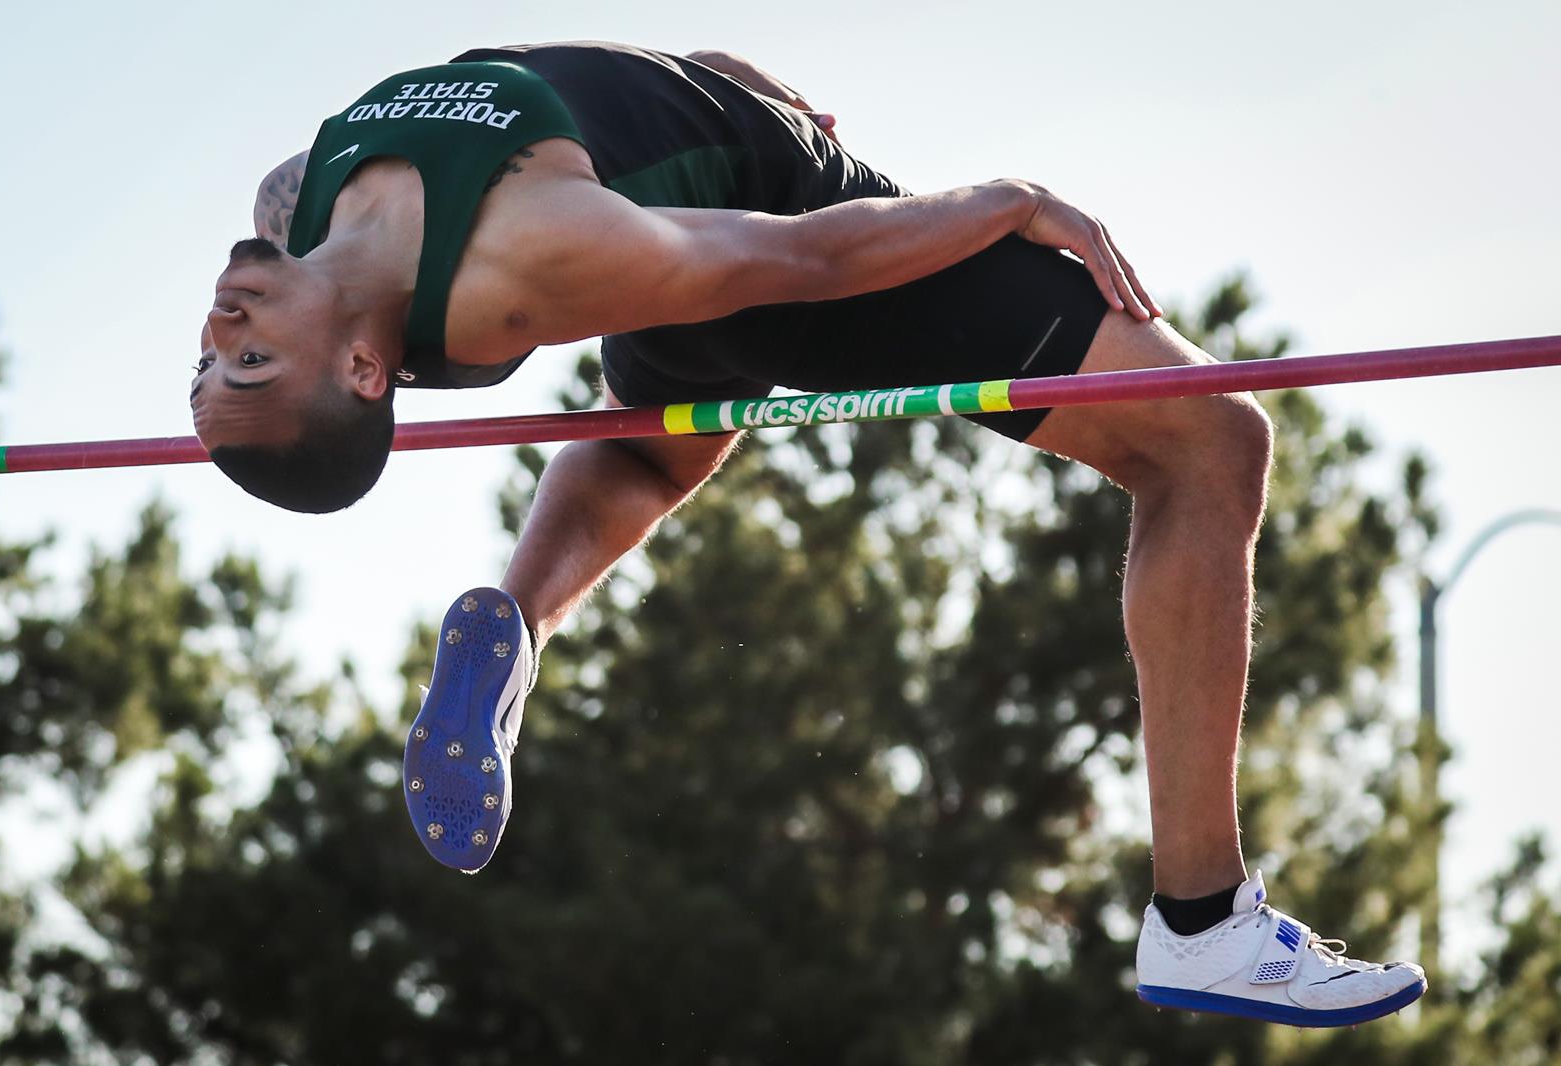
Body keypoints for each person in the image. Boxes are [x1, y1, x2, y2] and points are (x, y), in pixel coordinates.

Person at [190, 40, 1425, 1027]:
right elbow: (815, 256)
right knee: (1208, 445)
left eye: (209, 362)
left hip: (682, 206)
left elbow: (560, 107)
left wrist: (710, 81)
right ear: (362, 364)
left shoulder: (306, 204)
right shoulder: (534, 247)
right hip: (773, 235)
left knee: (656, 432)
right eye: (252, 364)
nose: (220, 329)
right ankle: (1204, 920)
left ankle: (517, 620)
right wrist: (1005, 201)